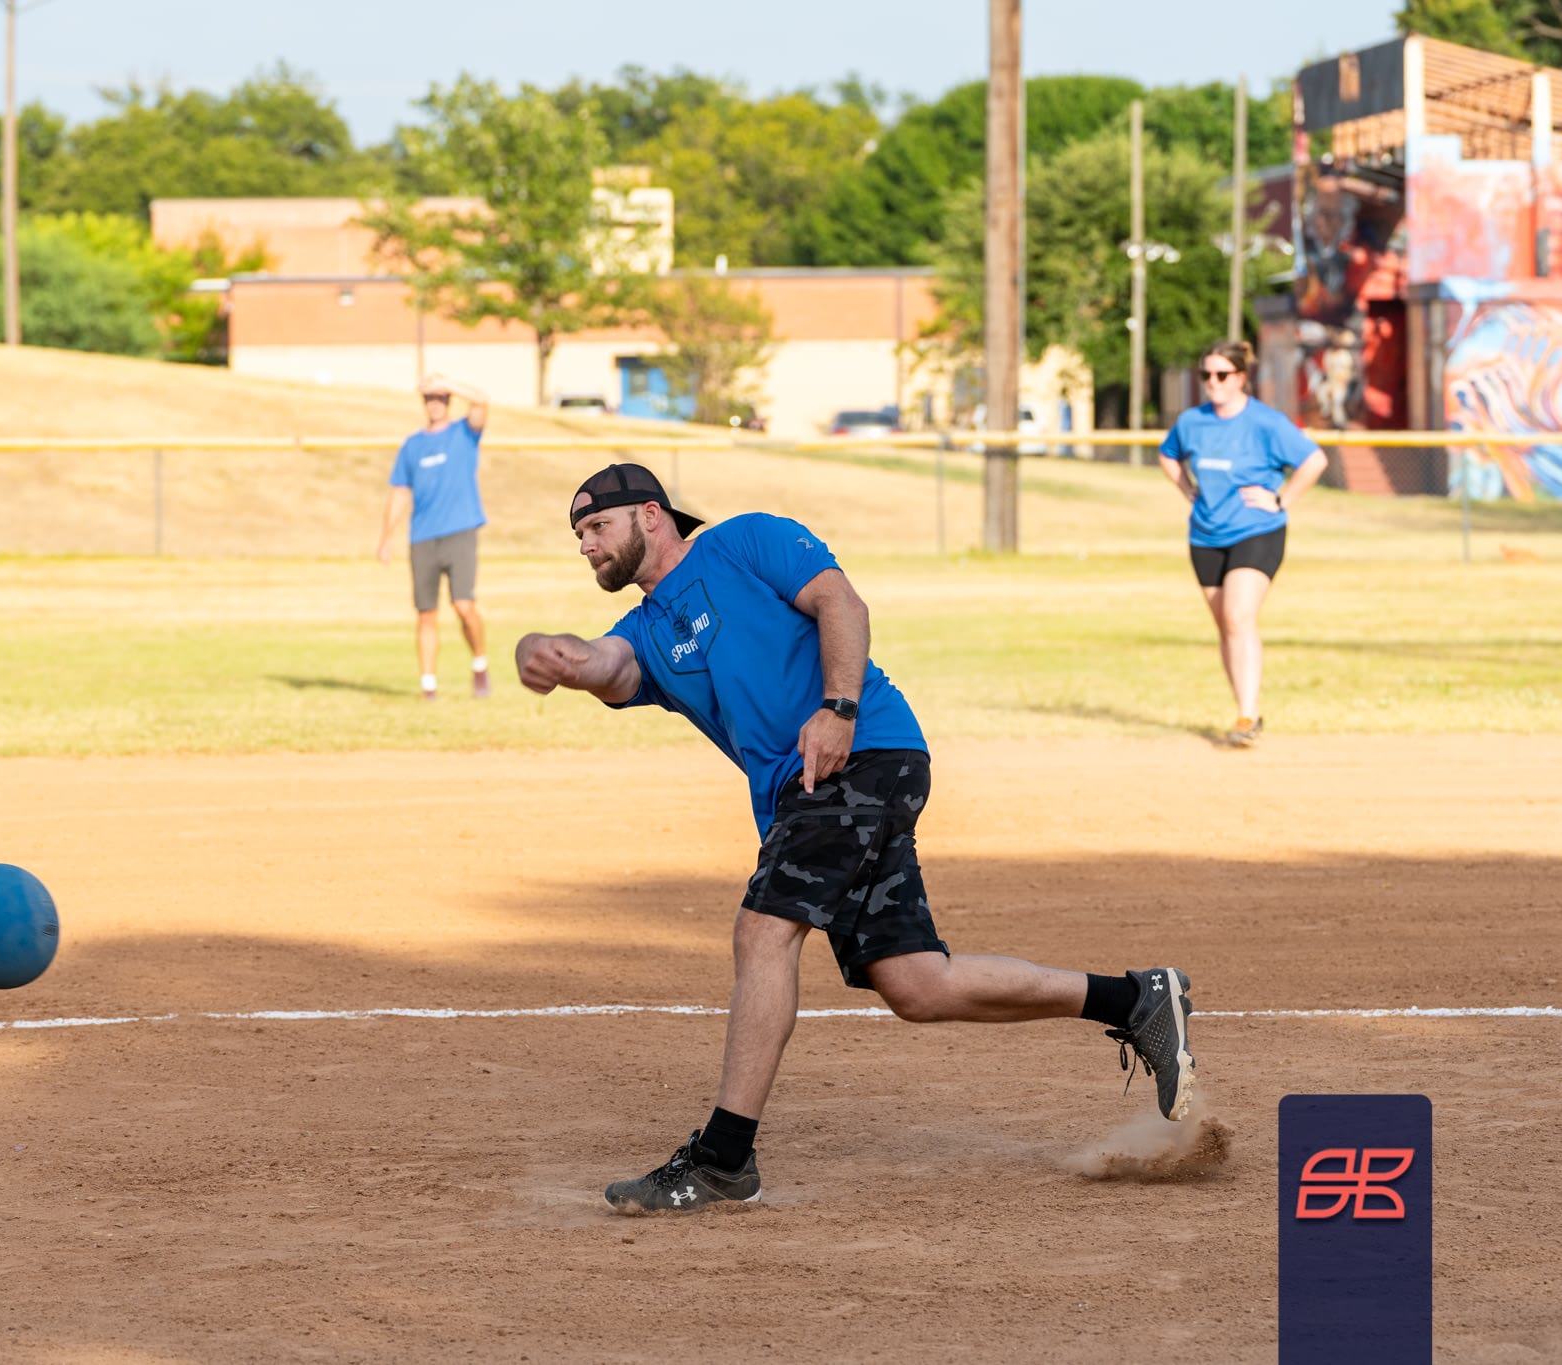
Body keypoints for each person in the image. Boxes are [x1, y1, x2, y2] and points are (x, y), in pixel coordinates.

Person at [514, 463, 1198, 1214]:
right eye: (577, 534)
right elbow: (602, 664)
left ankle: (722, 1157)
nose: (585, 545)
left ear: (650, 514)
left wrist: (837, 705)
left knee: (762, 932)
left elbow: (839, 598)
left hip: (862, 753)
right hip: (810, 792)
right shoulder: (644, 630)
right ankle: (1133, 998)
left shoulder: (745, 541)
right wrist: (548, 651)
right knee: (915, 984)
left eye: (595, 527)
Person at [1158, 341, 1329, 747]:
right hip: (1205, 534)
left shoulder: (1266, 423)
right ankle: (1243, 709)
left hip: (1257, 530)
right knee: (1226, 625)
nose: (1212, 383)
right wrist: (1188, 491)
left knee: (1238, 616)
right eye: (1206, 375)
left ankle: (1247, 715)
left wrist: (1281, 499)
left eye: (1222, 375)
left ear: (1241, 378)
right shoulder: (1192, 422)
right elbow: (1168, 456)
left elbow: (1314, 460)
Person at [377, 374, 492, 700]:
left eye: (441, 398)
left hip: (460, 532)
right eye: (430, 398)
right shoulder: (413, 445)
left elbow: (481, 399)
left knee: (463, 605)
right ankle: (429, 687)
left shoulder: (463, 433)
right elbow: (399, 491)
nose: (435, 403)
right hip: (423, 537)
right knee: (426, 613)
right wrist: (386, 537)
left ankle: (479, 662)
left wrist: (446, 382)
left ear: (449, 400)